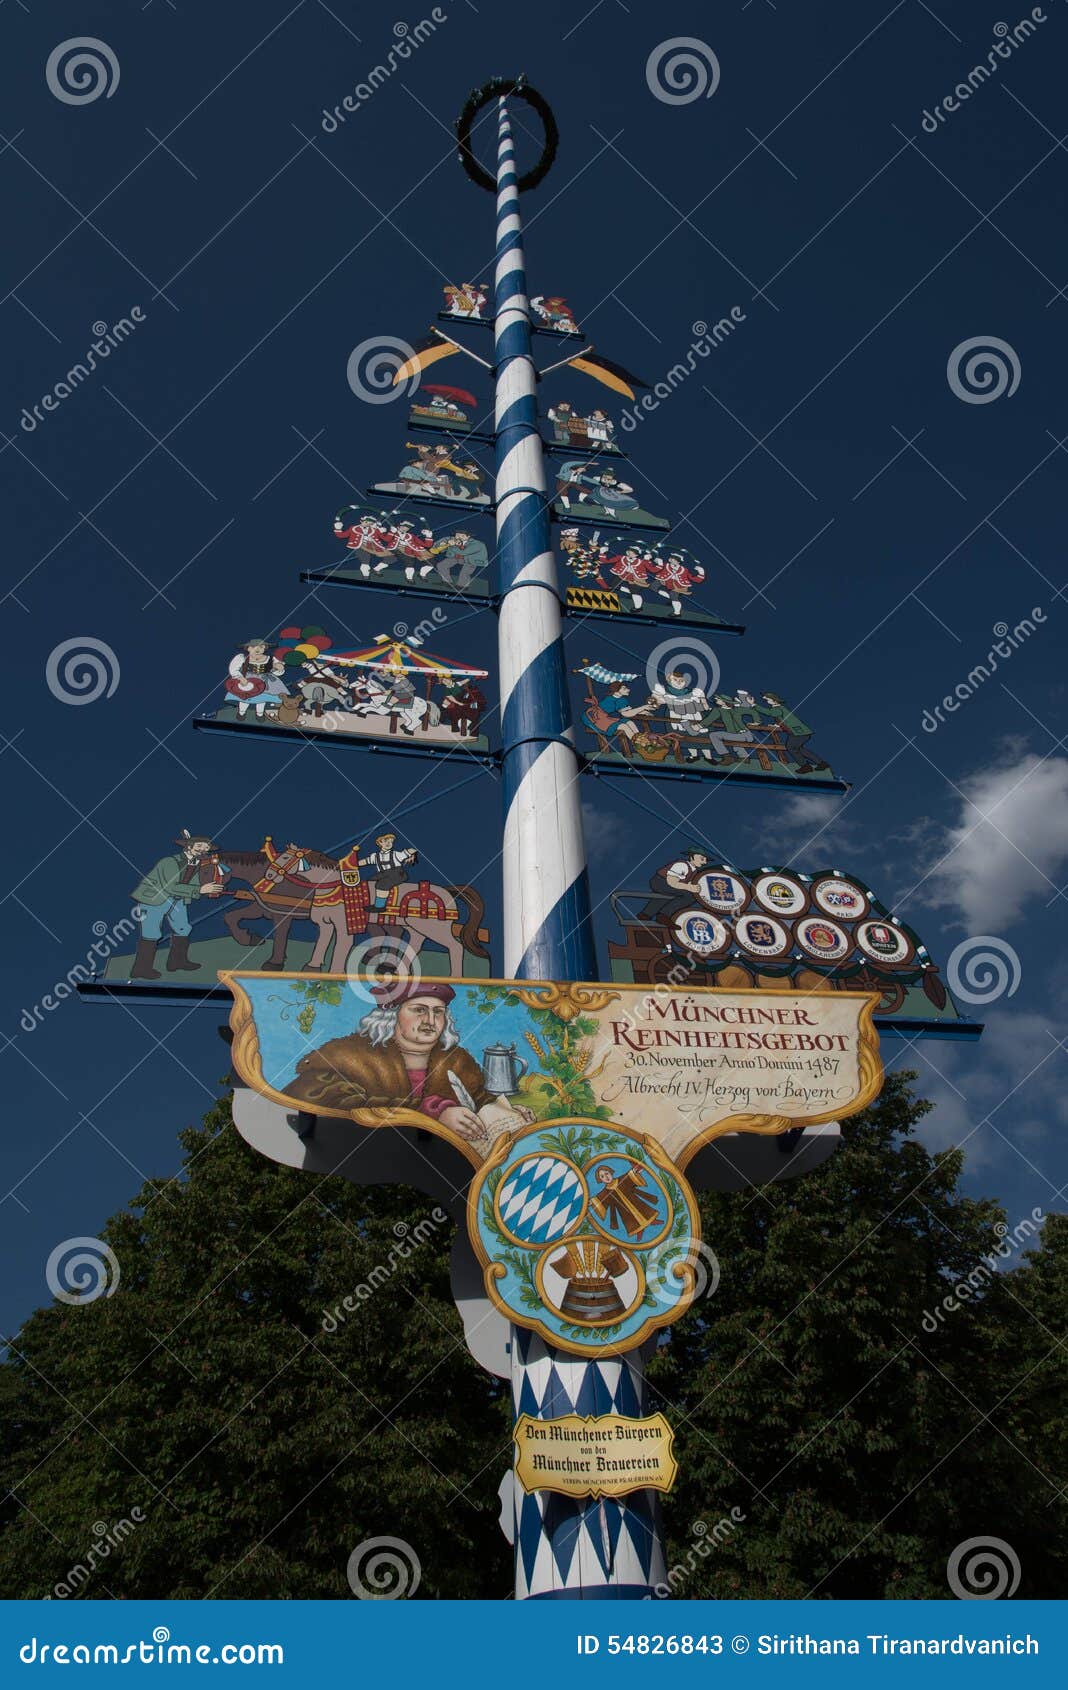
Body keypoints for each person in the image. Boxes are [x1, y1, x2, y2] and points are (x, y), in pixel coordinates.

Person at [283, 981, 533, 1143]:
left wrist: (504, 1111)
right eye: (419, 1010)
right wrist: (431, 1113)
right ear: (392, 1016)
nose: (430, 1021)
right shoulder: (348, 1055)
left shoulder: (457, 1060)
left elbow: (476, 1098)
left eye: (438, 1012)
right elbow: (326, 1098)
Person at [130, 830, 228, 978]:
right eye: (199, 846)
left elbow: (194, 884)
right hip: (154, 899)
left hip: (178, 899)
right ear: (189, 846)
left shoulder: (197, 863)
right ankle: (141, 969)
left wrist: (207, 889)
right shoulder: (169, 862)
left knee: (183, 928)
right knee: (151, 933)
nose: (203, 850)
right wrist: (200, 890)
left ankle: (177, 962)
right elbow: (170, 886)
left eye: (206, 847)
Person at [760, 692, 830, 773]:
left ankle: (806, 766)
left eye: (768, 700)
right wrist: (777, 725)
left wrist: (754, 705)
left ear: (774, 700)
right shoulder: (780, 709)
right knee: (799, 749)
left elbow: (770, 713)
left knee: (791, 747)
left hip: (798, 733)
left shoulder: (778, 709)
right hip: (800, 733)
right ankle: (821, 763)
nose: (767, 702)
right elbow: (784, 720)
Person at [637, 848, 710, 919]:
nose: (705, 862)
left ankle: (645, 914)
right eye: (702, 859)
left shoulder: (694, 871)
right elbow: (671, 882)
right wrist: (689, 887)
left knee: (668, 895)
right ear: (692, 857)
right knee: (690, 896)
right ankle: (664, 915)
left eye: (706, 860)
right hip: (660, 882)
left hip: (670, 885)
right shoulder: (682, 865)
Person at [226, 639, 290, 719]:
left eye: (261, 647)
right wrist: (240, 678)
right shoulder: (242, 658)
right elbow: (233, 669)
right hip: (248, 680)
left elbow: (278, 672)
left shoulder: (271, 659)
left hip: (266, 682)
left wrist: (277, 668)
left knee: (262, 699)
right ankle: (241, 712)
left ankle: (259, 714)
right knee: (245, 698)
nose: (257, 649)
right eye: (253, 647)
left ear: (265, 648)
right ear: (248, 648)